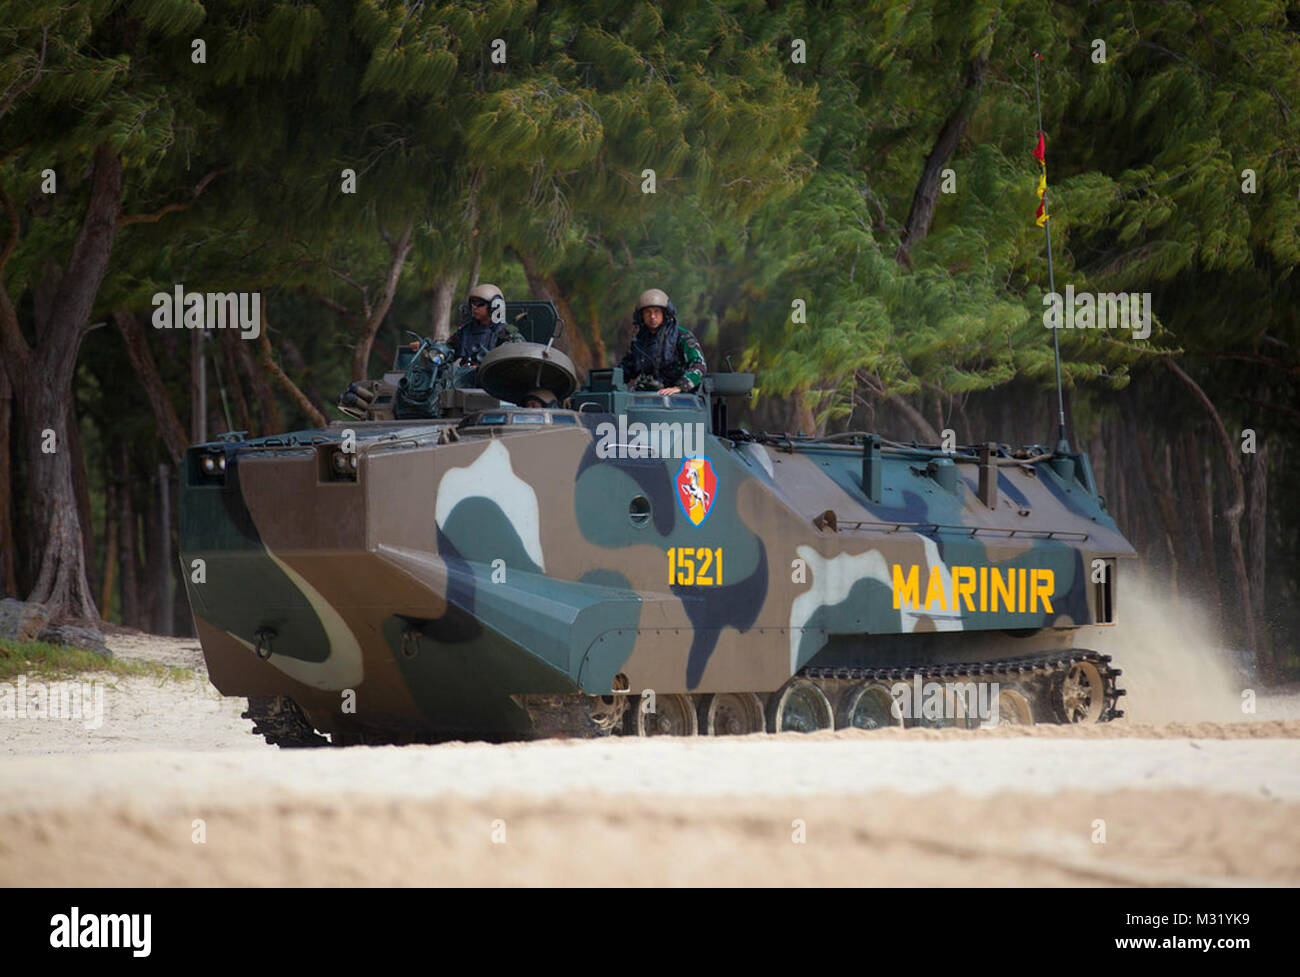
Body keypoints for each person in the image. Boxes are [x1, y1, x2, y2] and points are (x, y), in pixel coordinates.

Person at [617, 288, 706, 396]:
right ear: (641, 316)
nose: (652, 316)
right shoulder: (640, 341)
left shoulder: (682, 336)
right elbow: (625, 369)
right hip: (648, 397)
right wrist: (610, 380)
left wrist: (679, 387)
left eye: (656, 311)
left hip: (680, 398)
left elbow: (699, 365)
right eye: (647, 312)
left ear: (665, 313)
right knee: (621, 412)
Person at [448, 283, 521, 366]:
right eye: (472, 303)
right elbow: (448, 349)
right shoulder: (465, 331)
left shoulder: (506, 331)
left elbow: (518, 355)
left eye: (480, 304)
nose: (474, 307)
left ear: (495, 305)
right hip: (465, 376)